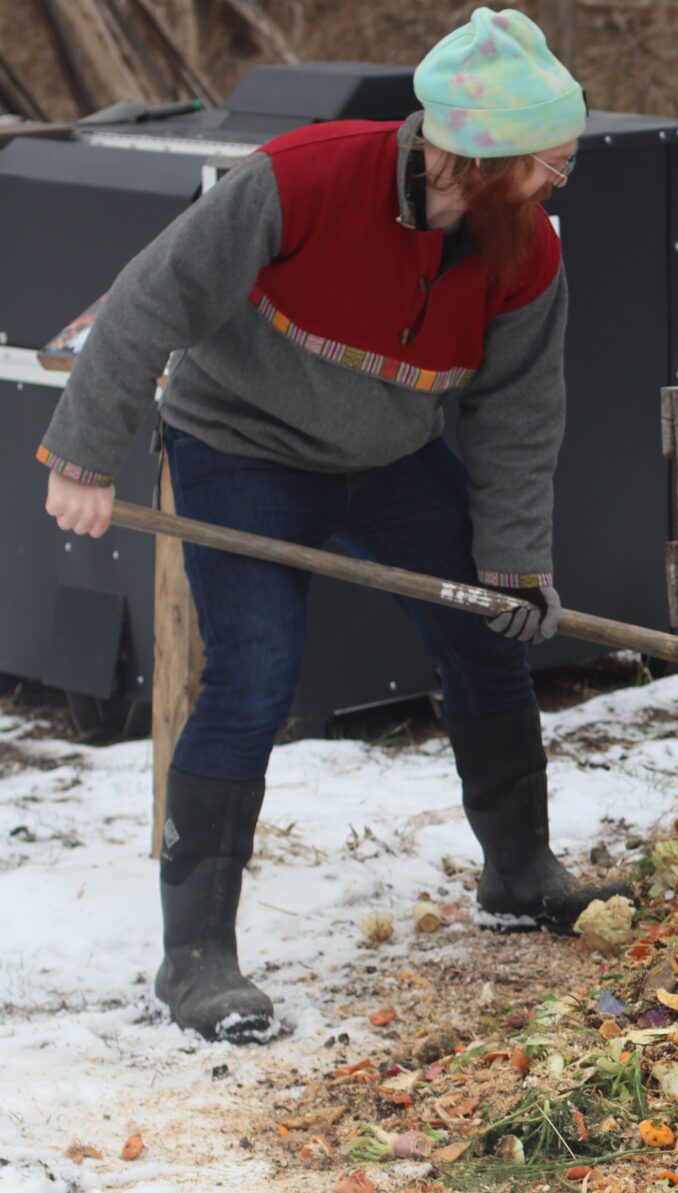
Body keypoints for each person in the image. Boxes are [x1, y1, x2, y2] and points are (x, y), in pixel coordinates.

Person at [38, 7, 627, 1044]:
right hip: (243, 448)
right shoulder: (300, 178)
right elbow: (147, 303)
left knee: (490, 630)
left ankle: (520, 872)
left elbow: (520, 416)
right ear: (478, 158)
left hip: (393, 459)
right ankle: (196, 961)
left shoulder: (524, 250)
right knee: (256, 672)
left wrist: (516, 564)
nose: (556, 185)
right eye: (547, 164)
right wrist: (84, 457)